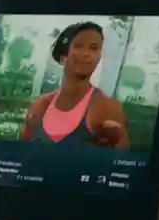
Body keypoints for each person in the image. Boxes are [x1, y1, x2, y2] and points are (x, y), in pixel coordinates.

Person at [19, 21, 131, 149]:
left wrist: (115, 141)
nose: (86, 53)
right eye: (78, 46)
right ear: (63, 56)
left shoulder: (107, 108)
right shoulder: (40, 106)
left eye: (94, 48)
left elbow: (121, 162)